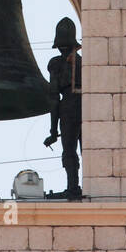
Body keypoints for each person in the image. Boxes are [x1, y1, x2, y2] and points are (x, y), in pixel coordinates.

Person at [43, 17, 82, 199]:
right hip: (89, 107)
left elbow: (53, 97)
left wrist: (52, 130)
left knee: (69, 150)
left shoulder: (56, 64)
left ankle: (73, 188)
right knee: (84, 150)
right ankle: (76, 187)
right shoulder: (86, 64)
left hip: (69, 107)